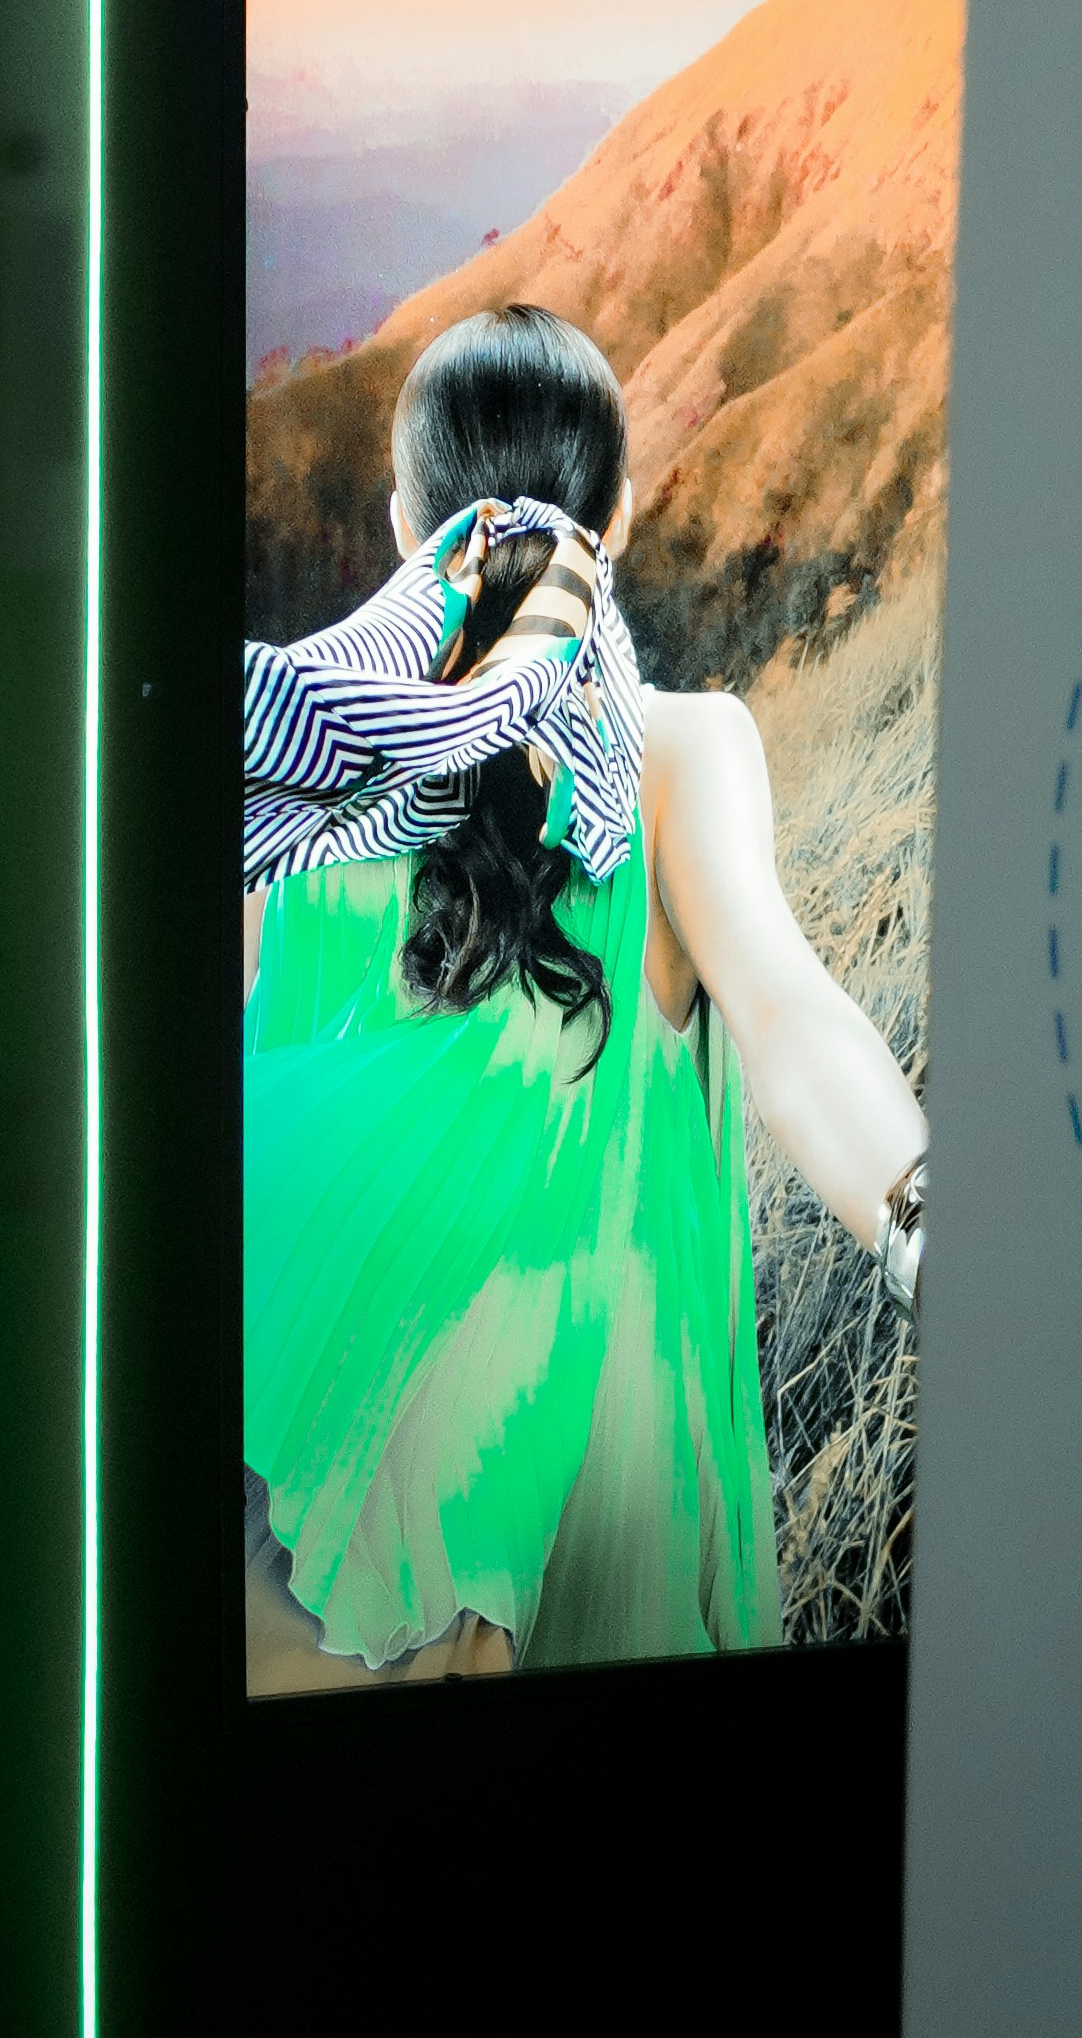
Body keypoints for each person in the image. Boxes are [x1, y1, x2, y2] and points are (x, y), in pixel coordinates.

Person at [238, 302, 926, 1686]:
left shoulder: (298, 794)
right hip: (583, 1509)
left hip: (317, 1501)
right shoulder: (678, 754)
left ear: (399, 524)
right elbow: (786, 1009)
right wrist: (924, 1226)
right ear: (616, 513)